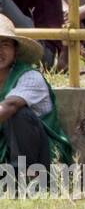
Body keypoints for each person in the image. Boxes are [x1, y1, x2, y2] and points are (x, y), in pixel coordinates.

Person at [0, 18, 72, 169]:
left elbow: (9, 107)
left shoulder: (30, 77)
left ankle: (24, 179)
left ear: (15, 50)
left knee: (19, 114)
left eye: (5, 44)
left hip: (42, 158)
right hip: (5, 153)